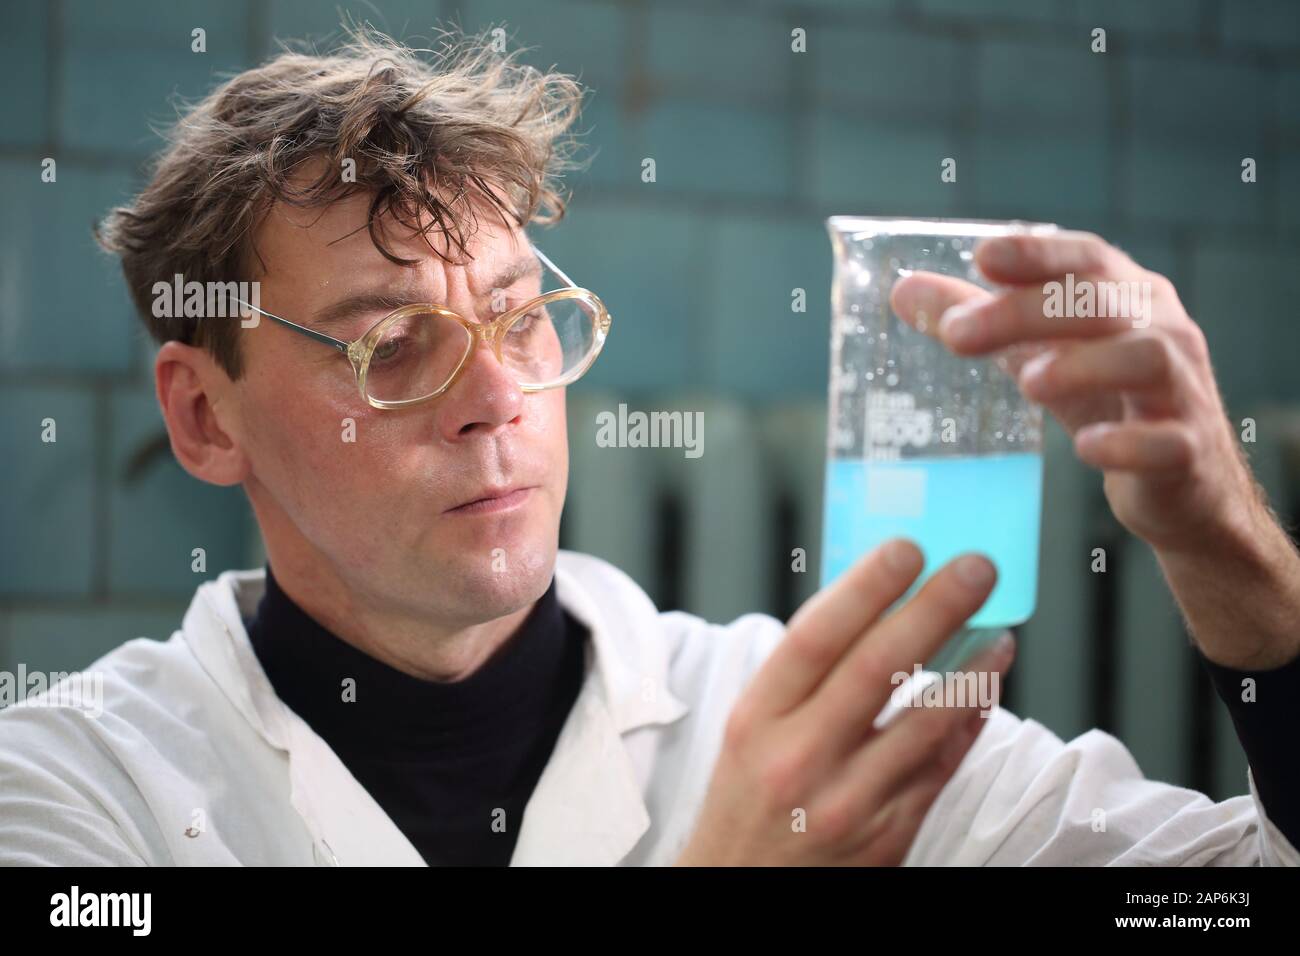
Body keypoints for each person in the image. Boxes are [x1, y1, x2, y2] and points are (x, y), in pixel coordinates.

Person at [1, 27, 1296, 867]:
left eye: (519, 318)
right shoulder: (77, 800)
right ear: (203, 414)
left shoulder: (798, 737)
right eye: (391, 346)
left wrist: (1233, 556)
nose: (496, 397)